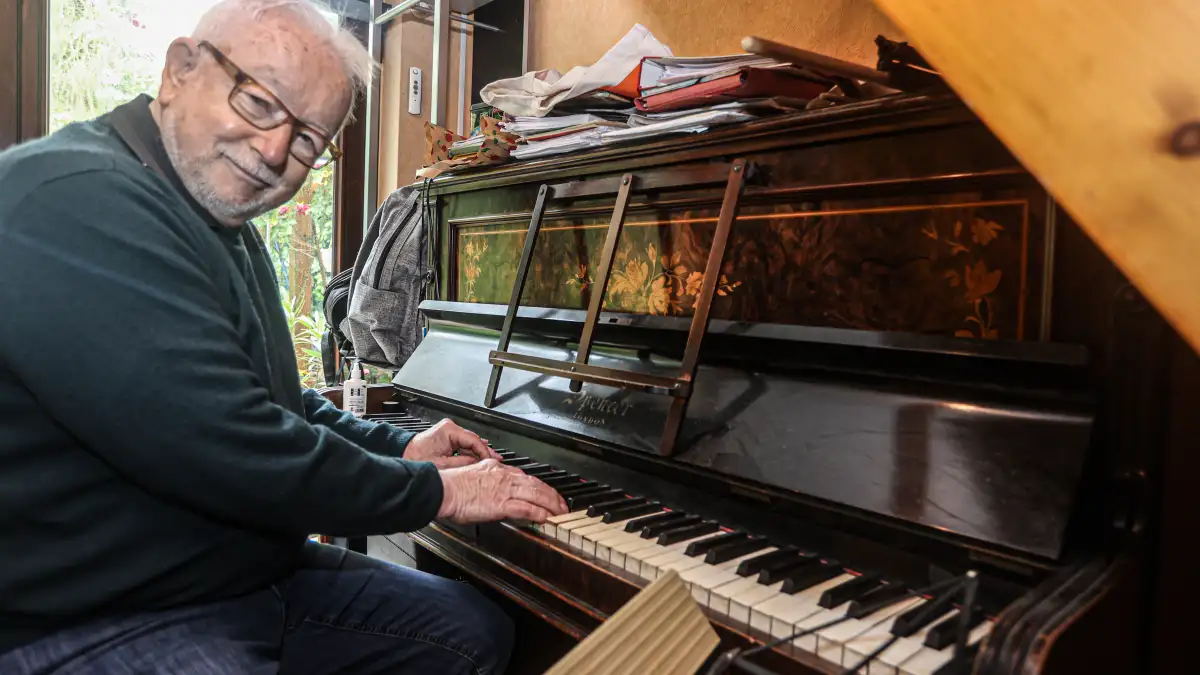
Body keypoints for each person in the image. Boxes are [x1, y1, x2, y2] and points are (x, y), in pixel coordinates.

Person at [0, 0, 568, 673]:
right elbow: (232, 443)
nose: (274, 151)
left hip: (236, 578)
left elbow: (274, 401)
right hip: (98, 615)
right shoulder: (74, 196)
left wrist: (402, 442)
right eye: (260, 104)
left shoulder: (214, 215)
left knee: (472, 631)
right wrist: (439, 490)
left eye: (307, 141)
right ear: (178, 71)